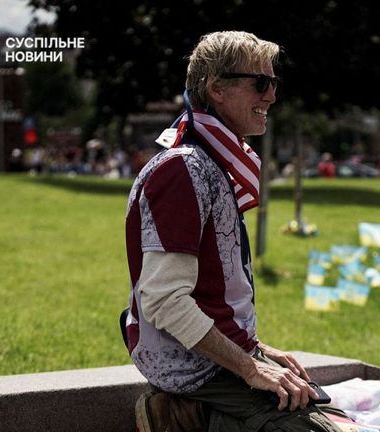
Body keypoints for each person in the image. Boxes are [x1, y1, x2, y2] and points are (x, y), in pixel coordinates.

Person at [124, 31, 342, 432]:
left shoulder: (209, 161)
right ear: (217, 88)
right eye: (261, 83)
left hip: (215, 358)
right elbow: (164, 300)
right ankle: (182, 413)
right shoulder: (183, 169)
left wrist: (256, 351)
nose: (271, 96)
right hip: (190, 366)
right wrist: (251, 368)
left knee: (338, 419)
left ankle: (191, 416)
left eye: (274, 83)